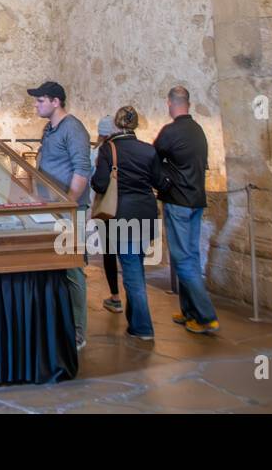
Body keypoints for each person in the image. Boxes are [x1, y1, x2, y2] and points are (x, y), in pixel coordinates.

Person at [29, 80, 92, 349]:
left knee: (72, 270)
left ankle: (78, 330)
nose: (36, 104)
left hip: (67, 210)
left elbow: (82, 170)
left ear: (56, 102)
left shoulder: (73, 129)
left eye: (41, 100)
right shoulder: (49, 128)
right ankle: (59, 320)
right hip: (50, 208)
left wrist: (68, 204)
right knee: (56, 268)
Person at [91, 106, 162, 340]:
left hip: (123, 214)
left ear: (117, 123)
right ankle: (135, 319)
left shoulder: (108, 150)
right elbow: (158, 181)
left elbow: (100, 184)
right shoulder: (148, 150)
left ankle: (142, 327)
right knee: (136, 265)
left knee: (132, 270)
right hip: (146, 212)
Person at [153, 85, 219, 334]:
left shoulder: (170, 132)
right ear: (188, 104)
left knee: (183, 260)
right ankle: (189, 310)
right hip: (196, 200)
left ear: (170, 103)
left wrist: (162, 182)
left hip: (178, 201)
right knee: (190, 255)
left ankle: (205, 316)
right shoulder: (198, 131)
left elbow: (154, 159)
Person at [91, 115, 123, 315]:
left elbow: (98, 182)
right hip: (129, 207)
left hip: (107, 206)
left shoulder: (100, 151)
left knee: (109, 253)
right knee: (130, 256)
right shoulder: (134, 149)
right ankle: (136, 296)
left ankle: (116, 296)